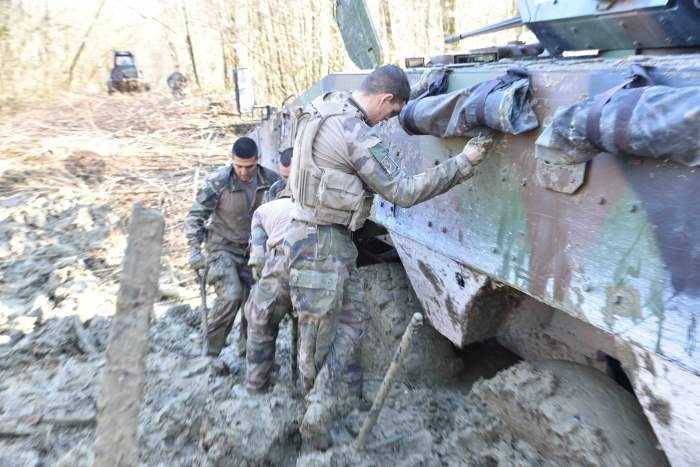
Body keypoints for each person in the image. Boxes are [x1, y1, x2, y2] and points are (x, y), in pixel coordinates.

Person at [285, 64, 492, 447]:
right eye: (393, 112)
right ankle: (313, 424)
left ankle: (325, 404)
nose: (389, 121)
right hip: (321, 243)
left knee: (349, 323)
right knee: (320, 334)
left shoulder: (326, 104)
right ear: (385, 99)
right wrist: (464, 163)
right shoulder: (358, 135)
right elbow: (403, 191)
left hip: (316, 238)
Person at [185, 137, 280, 356]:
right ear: (232, 162)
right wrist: (194, 250)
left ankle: (249, 354)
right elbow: (195, 217)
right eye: (238, 166)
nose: (243, 172)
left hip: (255, 252)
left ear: (257, 160)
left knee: (254, 304)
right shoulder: (218, 182)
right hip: (222, 248)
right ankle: (209, 352)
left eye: (249, 167)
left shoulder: (271, 181)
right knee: (231, 296)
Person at [244, 192, 294, 393]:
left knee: (259, 321)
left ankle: (256, 385)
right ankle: (309, 390)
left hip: (281, 263)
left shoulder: (263, 211)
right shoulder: (309, 203)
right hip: (318, 264)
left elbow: (258, 260)